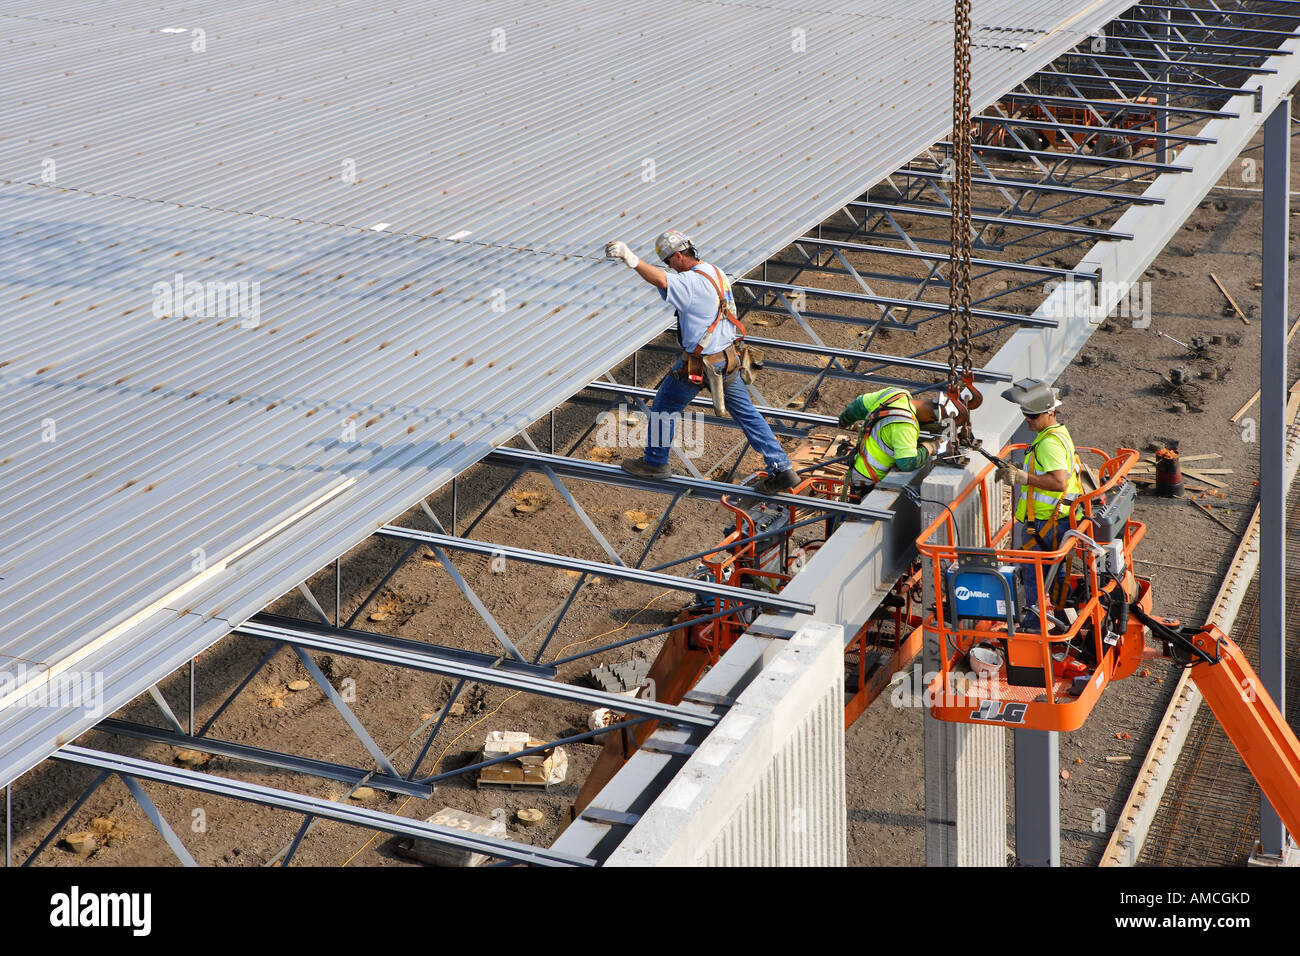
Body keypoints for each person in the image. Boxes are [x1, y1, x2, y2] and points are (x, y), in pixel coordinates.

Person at [604, 230, 799, 494]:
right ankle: (782, 467)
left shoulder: (690, 282)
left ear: (679, 256)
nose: (669, 267)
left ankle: (655, 463)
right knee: (749, 416)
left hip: (699, 364)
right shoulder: (715, 272)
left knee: (665, 405)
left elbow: (661, 281)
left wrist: (631, 259)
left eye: (669, 261)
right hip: (728, 359)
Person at [994, 378, 1083, 631]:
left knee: (1033, 579)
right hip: (1058, 520)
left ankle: (1034, 628)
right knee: (1056, 576)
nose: (1027, 421)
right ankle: (1064, 618)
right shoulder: (1055, 434)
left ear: (1049, 412)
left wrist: (1023, 477)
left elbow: (1057, 481)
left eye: (1032, 416)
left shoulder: (1050, 443)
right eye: (1025, 415)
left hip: (1046, 523)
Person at [837, 386, 941, 496]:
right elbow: (907, 462)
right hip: (871, 478)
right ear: (931, 419)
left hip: (861, 469)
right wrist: (931, 447)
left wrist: (844, 421)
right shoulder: (905, 425)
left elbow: (858, 405)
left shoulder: (895, 394)